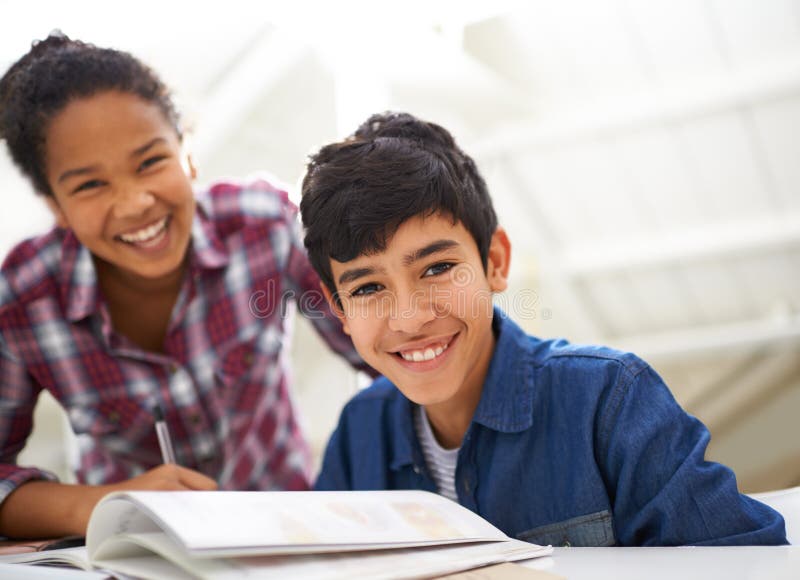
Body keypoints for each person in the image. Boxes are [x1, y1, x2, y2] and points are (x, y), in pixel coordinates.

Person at [299, 111, 788, 546]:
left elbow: (748, 564)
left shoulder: (609, 400)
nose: (410, 317)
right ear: (339, 308)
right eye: (367, 288)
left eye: (437, 268)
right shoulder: (358, 435)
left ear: (494, 261)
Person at [0, 32, 365, 539]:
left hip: (286, 535)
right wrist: (112, 503)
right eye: (90, 185)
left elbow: (386, 353)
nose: (135, 203)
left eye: (150, 162)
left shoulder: (264, 225)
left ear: (188, 154)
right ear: (55, 206)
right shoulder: (23, 300)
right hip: (136, 551)